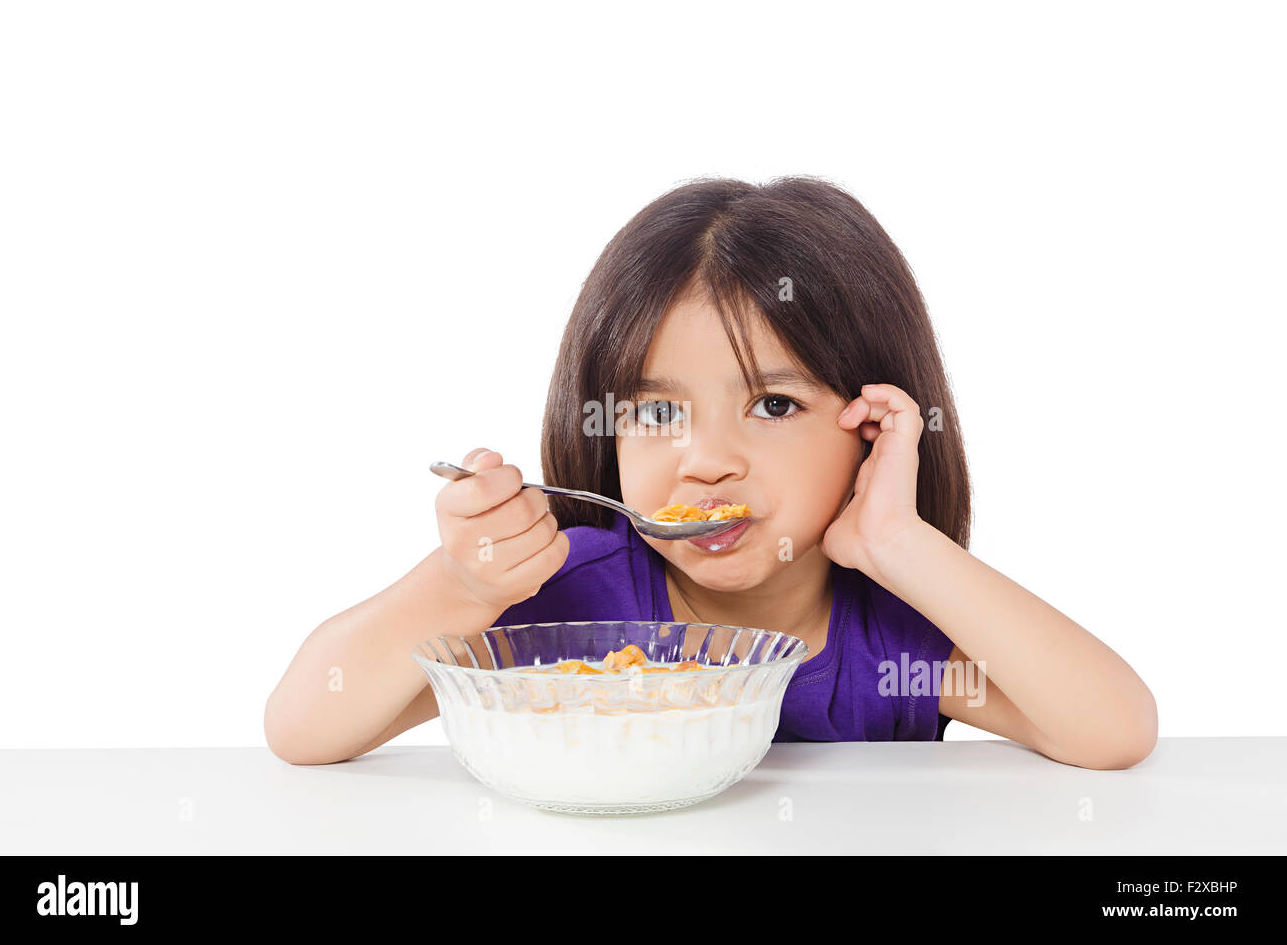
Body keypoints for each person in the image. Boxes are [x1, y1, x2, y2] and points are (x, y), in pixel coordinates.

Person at [265, 176, 1157, 768]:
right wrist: (458, 586)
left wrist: (898, 541)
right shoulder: (573, 605)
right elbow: (305, 728)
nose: (705, 462)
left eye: (774, 406)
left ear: (870, 431)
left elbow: (1114, 730)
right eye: (657, 413)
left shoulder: (896, 644)